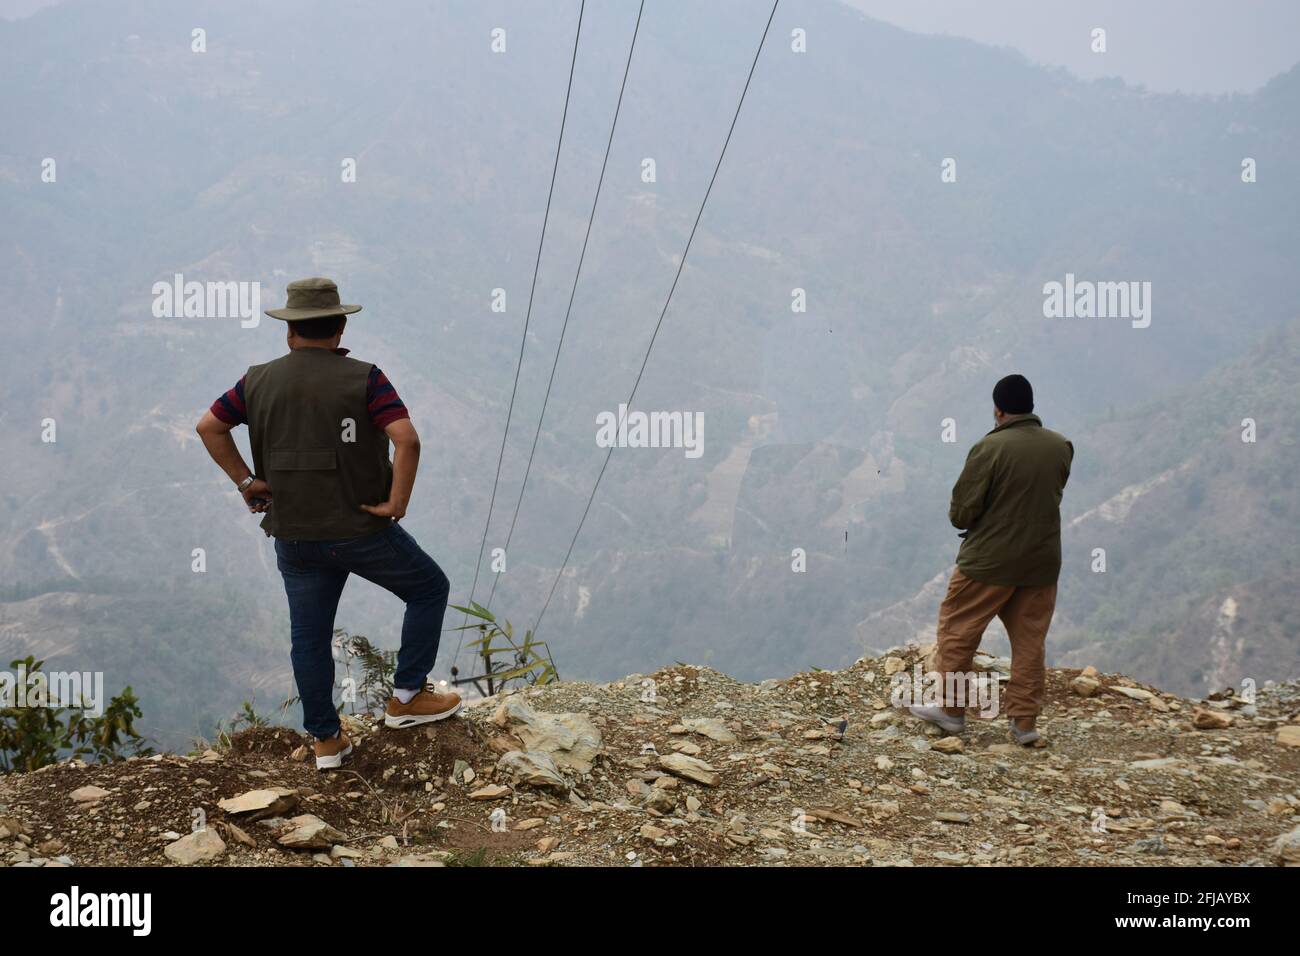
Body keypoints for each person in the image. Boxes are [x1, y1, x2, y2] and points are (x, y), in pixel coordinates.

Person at [195, 277, 461, 770]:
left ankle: (326, 741)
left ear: (288, 331)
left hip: (293, 535)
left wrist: (246, 482)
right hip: (360, 530)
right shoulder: (366, 378)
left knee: (309, 636)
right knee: (428, 588)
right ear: (340, 326)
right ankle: (406, 699)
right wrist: (396, 502)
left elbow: (209, 426)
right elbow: (407, 440)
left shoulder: (256, 380)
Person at [909, 374, 1073, 746]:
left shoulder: (989, 449)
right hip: (1041, 563)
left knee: (958, 630)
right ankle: (1024, 723)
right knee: (1030, 642)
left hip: (989, 562)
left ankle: (951, 712)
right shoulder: (1061, 446)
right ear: (1031, 406)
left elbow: (962, 512)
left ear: (998, 410)